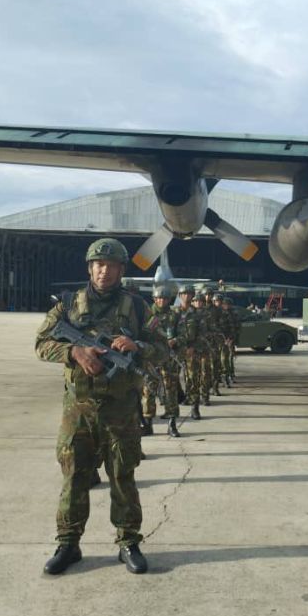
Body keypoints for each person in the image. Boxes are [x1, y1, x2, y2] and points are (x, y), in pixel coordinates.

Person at [35, 238, 167, 575]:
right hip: (78, 410)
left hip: (120, 411)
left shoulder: (137, 308)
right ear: (89, 267)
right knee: (74, 477)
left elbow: (163, 347)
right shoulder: (68, 305)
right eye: (96, 264)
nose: (102, 270)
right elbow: (41, 343)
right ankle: (68, 543)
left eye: (109, 265)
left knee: (122, 476)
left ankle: (128, 542)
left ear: (121, 270)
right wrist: (73, 352)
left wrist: (136, 345)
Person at [141, 283, 182, 436]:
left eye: (165, 299)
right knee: (149, 390)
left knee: (171, 390)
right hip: (151, 358)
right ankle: (147, 424)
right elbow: (142, 335)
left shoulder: (174, 315)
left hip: (169, 358)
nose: (162, 301)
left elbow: (184, 333)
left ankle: (172, 424)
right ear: (154, 299)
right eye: (159, 298)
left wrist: (176, 340)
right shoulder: (148, 315)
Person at [175, 284, 204, 424]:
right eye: (184, 294)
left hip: (192, 351)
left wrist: (194, 347)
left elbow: (202, 334)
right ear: (180, 296)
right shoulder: (174, 313)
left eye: (189, 294)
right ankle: (177, 403)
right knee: (172, 378)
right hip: (176, 351)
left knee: (193, 379)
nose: (186, 296)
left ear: (192, 296)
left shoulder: (198, 314)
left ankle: (194, 407)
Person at [218, 295, 240, 385]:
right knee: (222, 358)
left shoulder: (233, 314)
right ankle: (223, 375)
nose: (226, 306)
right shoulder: (220, 313)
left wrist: (232, 338)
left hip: (230, 339)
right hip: (222, 339)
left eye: (227, 304)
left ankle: (231, 374)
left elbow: (236, 327)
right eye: (224, 304)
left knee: (230, 357)